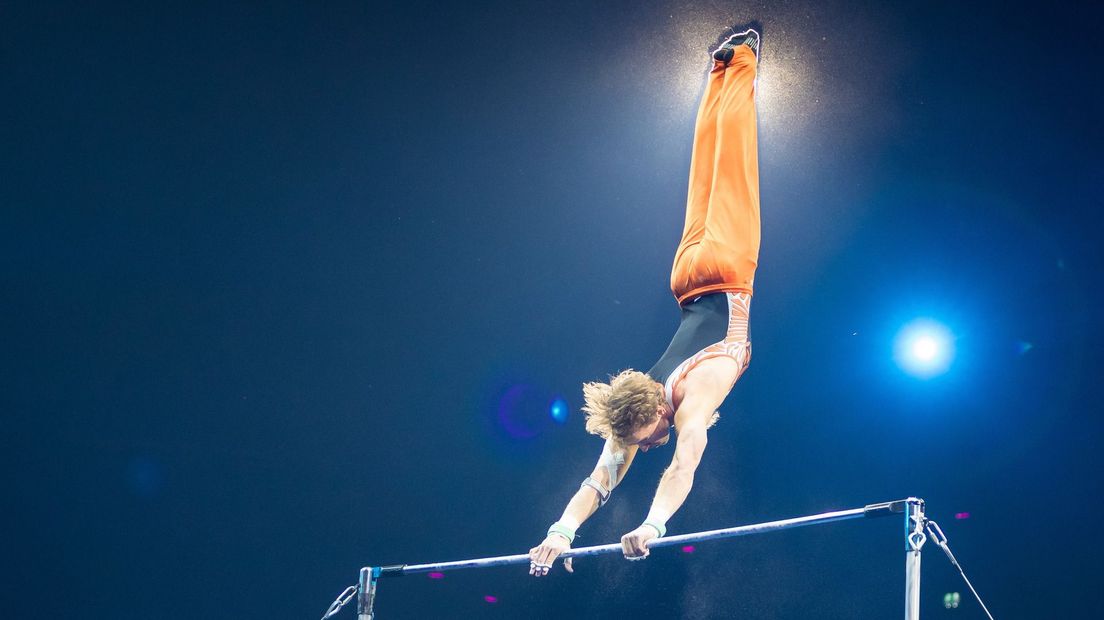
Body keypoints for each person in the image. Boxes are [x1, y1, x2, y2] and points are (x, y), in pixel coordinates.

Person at [528, 27, 762, 577]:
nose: (651, 444)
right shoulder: (641, 402)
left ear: (658, 411)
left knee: (733, 165)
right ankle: (719, 69)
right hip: (684, 278)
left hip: (726, 268)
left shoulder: (694, 398)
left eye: (649, 438)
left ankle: (743, 60)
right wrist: (560, 532)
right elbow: (599, 482)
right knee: (703, 173)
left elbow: (685, 463)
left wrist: (655, 524)